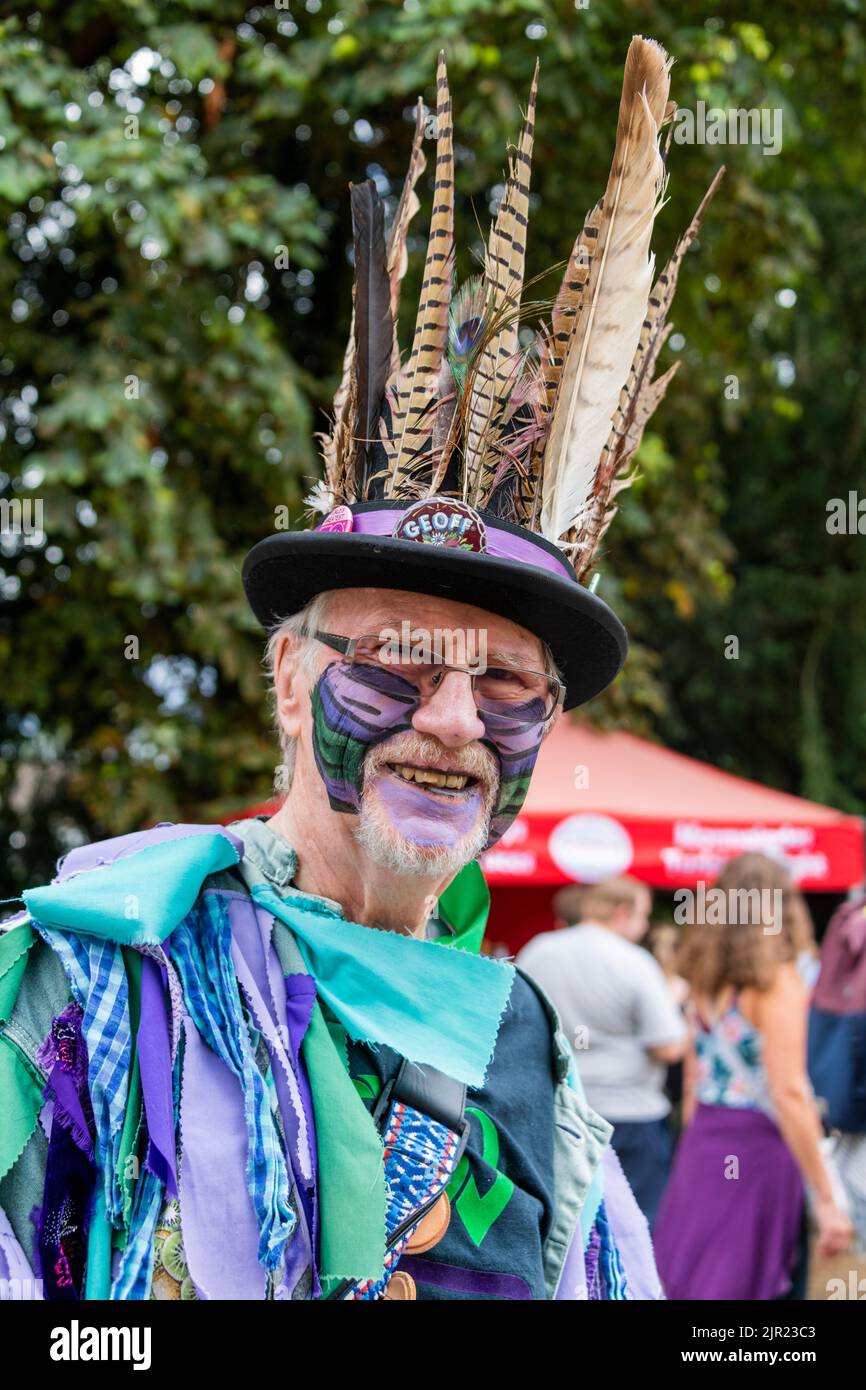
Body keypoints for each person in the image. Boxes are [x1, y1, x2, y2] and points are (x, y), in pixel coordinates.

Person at [0, 37, 718, 1301]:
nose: (449, 723)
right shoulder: (97, 976)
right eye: (392, 666)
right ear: (288, 679)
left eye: (505, 686)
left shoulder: (526, 1041)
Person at [654, 852, 852, 1300]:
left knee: (695, 1273)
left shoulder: (706, 977)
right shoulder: (777, 982)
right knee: (747, 1280)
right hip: (757, 1148)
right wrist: (826, 1197)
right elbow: (789, 1091)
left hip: (705, 1138)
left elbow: (691, 1079)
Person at [518, 878, 687, 1229]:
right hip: (629, 1114)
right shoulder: (635, 961)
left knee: (570, 1225)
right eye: (642, 916)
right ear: (622, 912)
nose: (643, 927)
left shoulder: (539, 950)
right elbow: (667, 1046)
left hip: (560, 1108)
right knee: (632, 1228)